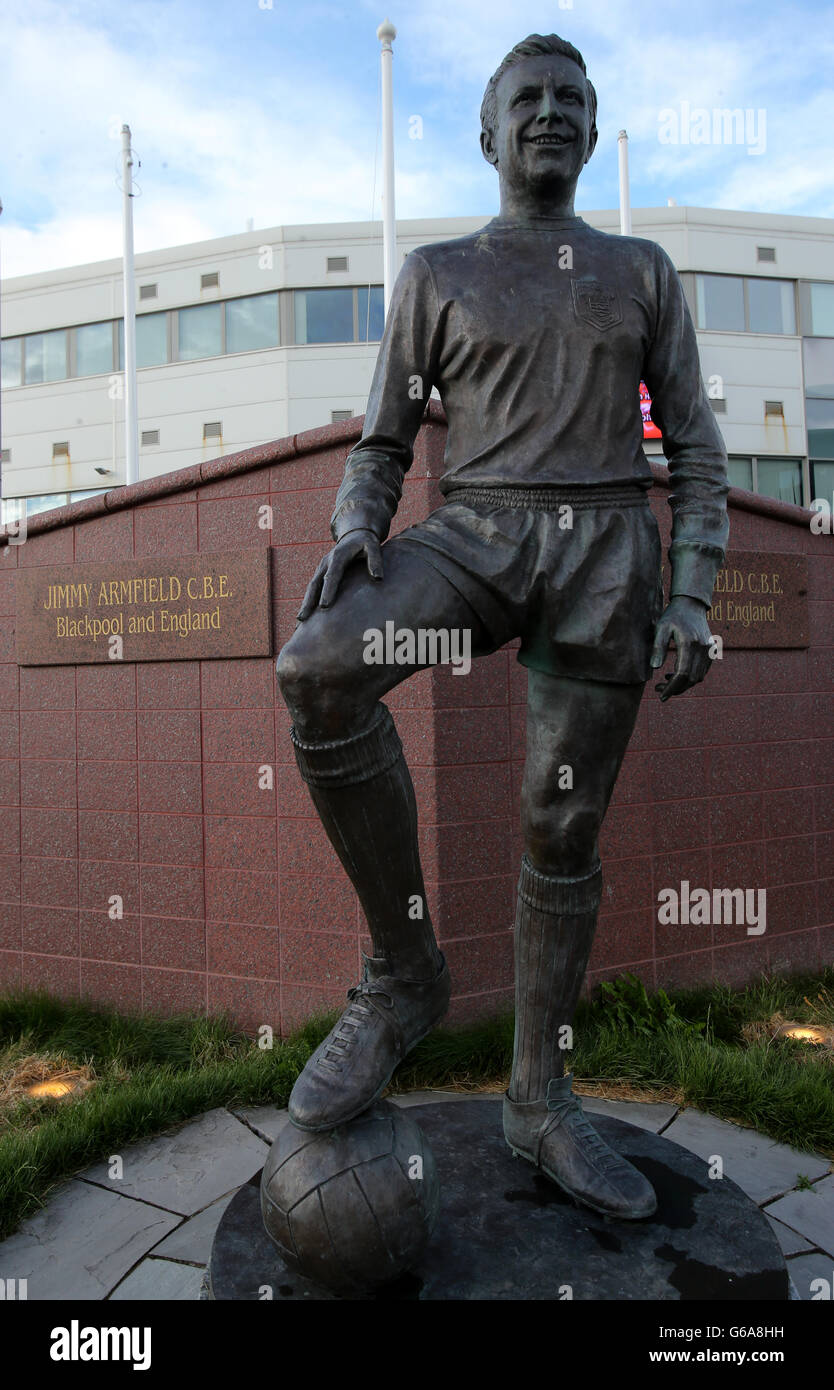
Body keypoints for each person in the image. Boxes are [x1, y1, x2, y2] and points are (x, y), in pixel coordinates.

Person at [276, 32, 729, 1220]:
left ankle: (539, 1095)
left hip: (604, 555)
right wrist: (355, 522)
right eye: (525, 98)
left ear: (590, 127)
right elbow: (381, 441)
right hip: (472, 539)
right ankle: (403, 972)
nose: (549, 112)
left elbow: (696, 449)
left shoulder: (643, 269)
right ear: (486, 132)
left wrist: (691, 591)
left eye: (571, 99)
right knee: (320, 666)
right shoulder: (436, 271)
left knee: (558, 821)